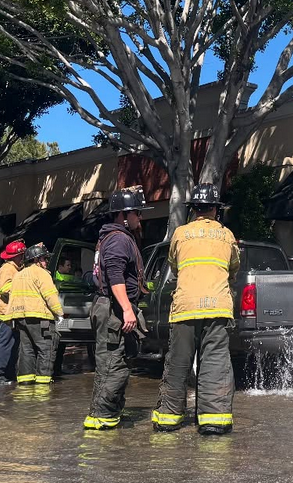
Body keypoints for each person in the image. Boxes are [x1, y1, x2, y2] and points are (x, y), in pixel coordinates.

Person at [152, 183, 240, 435]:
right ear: (215, 209)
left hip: (185, 308)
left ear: (193, 209)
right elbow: (234, 268)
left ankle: (169, 419)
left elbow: (175, 266)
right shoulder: (227, 235)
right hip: (218, 308)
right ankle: (214, 421)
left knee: (178, 363)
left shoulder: (180, 234)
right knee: (215, 362)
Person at [83, 185, 150, 430]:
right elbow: (115, 276)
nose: (140, 218)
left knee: (113, 362)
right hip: (113, 307)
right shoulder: (119, 239)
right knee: (113, 365)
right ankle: (102, 416)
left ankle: (107, 414)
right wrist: (127, 309)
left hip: (111, 306)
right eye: (137, 213)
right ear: (124, 215)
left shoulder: (110, 237)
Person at [7, 243, 64, 384]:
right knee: (46, 350)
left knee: (26, 351)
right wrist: (59, 313)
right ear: (36, 260)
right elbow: (50, 295)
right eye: (44, 259)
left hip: (21, 318)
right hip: (41, 319)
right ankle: (43, 385)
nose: (46, 262)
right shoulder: (42, 274)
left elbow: (12, 297)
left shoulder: (18, 275)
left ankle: (25, 383)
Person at [0, 240, 25, 384]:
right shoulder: (8, 269)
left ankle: (9, 375)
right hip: (8, 313)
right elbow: (5, 289)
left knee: (13, 344)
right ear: (16, 256)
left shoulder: (15, 269)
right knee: (5, 344)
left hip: (14, 313)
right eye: (21, 255)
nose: (23, 258)